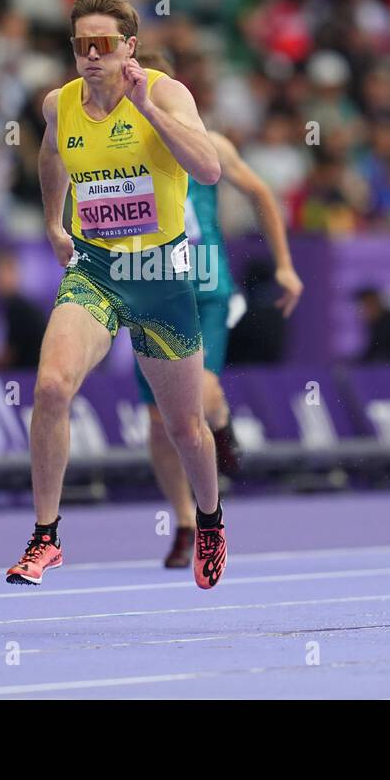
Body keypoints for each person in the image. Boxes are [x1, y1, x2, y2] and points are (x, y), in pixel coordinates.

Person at [5, 0, 226, 589]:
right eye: (82, 45)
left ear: (130, 46)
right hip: (97, 269)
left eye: (103, 44)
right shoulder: (60, 104)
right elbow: (51, 155)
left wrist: (148, 110)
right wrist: (54, 222)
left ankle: (208, 520)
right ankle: (46, 536)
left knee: (184, 428)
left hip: (159, 275)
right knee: (51, 386)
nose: (92, 56)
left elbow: (209, 169)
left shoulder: (164, 91)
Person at [130, 48, 304, 568]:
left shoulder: (209, 143)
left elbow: (262, 195)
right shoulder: (117, 148)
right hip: (151, 288)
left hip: (206, 288)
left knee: (201, 391)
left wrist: (285, 265)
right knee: (160, 423)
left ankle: (221, 423)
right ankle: (185, 521)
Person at [0, 249, 46, 370]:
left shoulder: (17, 308)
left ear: (14, 274)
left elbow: (10, 354)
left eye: (3, 274)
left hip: (30, 375)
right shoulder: (14, 306)